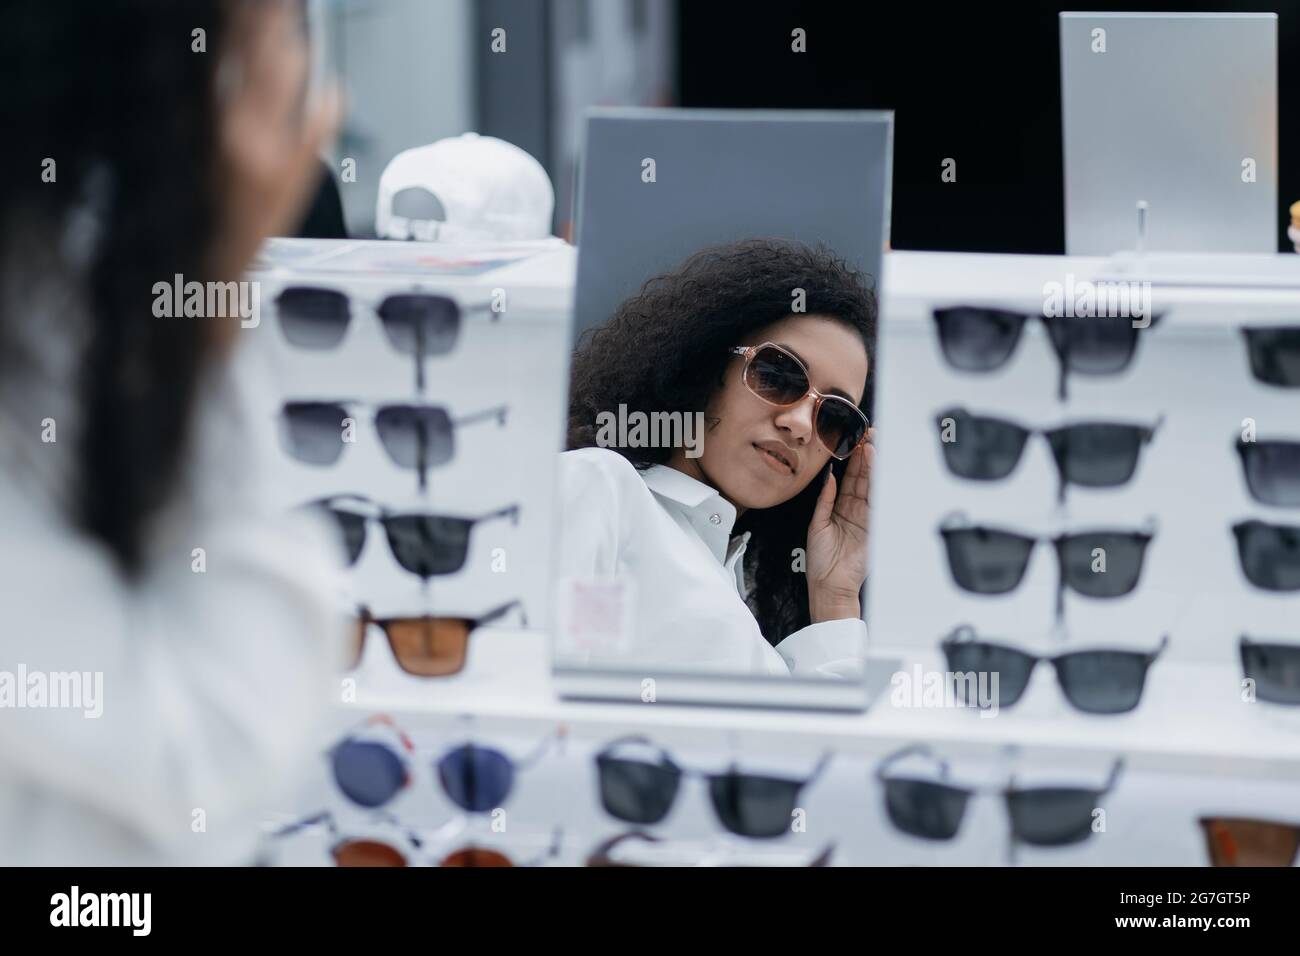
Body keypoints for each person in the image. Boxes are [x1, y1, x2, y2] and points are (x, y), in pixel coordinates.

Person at [0, 0, 346, 864]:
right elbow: (212, 751)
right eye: (264, 34)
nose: (292, 77)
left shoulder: (56, 274)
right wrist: (213, 276)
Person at [561, 239, 875, 677]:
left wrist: (836, 596)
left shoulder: (745, 599)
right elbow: (531, 701)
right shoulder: (602, 487)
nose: (801, 425)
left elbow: (813, 744)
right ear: (707, 366)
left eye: (835, 417)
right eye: (778, 375)